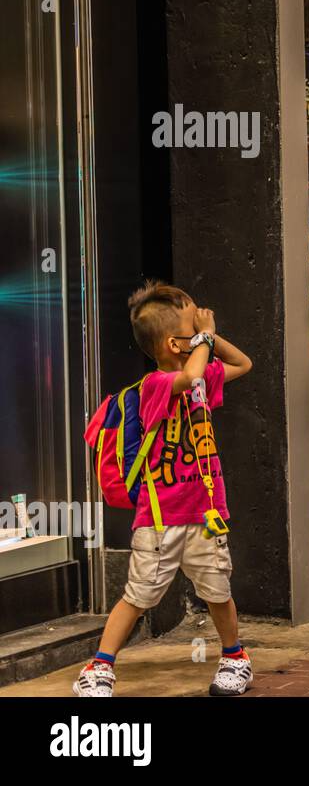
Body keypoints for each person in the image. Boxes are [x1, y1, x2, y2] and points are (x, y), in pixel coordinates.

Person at [75, 283, 254, 697]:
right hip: (159, 517)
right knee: (138, 595)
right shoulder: (156, 385)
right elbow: (190, 373)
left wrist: (207, 333)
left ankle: (235, 657)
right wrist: (204, 338)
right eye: (194, 327)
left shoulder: (202, 378)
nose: (203, 331)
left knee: (217, 590)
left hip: (204, 512)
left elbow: (242, 363)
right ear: (177, 343)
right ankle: (99, 667)